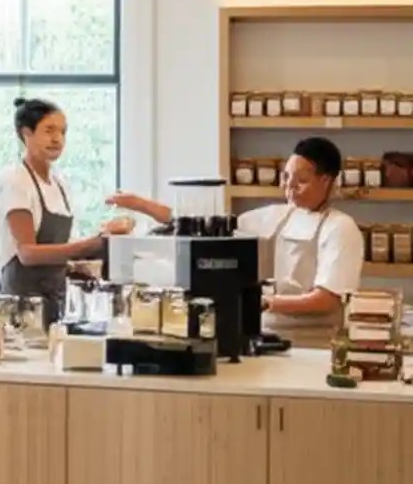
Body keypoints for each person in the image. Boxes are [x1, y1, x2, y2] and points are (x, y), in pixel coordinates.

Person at [108, 136, 364, 347]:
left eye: (301, 181)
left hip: (313, 346)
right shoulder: (277, 215)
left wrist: (265, 303)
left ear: (327, 180)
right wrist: (139, 204)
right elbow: (201, 224)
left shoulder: (341, 228)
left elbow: (326, 300)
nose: (289, 187)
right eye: (286, 178)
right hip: (266, 336)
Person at [0, 98, 128, 325]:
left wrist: (88, 257)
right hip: (23, 302)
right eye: (49, 130)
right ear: (26, 133)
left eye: (63, 132)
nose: (57, 139)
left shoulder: (60, 184)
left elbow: (60, 249)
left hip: (56, 300)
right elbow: (27, 253)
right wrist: (91, 244)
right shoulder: (16, 180)